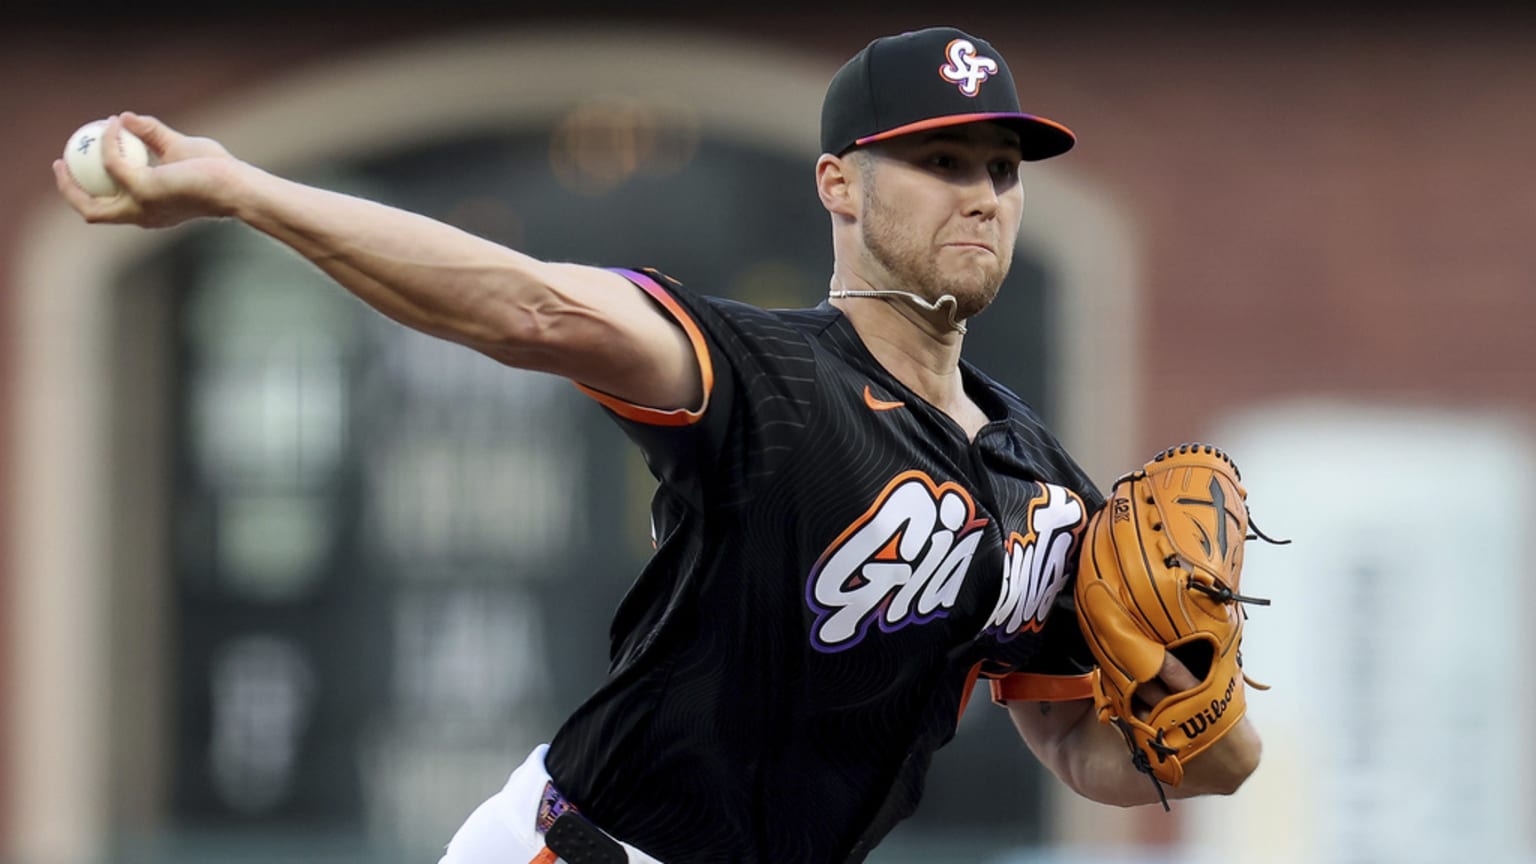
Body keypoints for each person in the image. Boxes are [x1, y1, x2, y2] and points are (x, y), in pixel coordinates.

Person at [54, 25, 1261, 864]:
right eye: (940, 161)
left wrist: (1196, 706)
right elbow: (530, 305)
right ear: (841, 185)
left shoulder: (1039, 481)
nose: (983, 194)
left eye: (1001, 169)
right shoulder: (770, 381)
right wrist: (245, 191)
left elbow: (1082, 743)